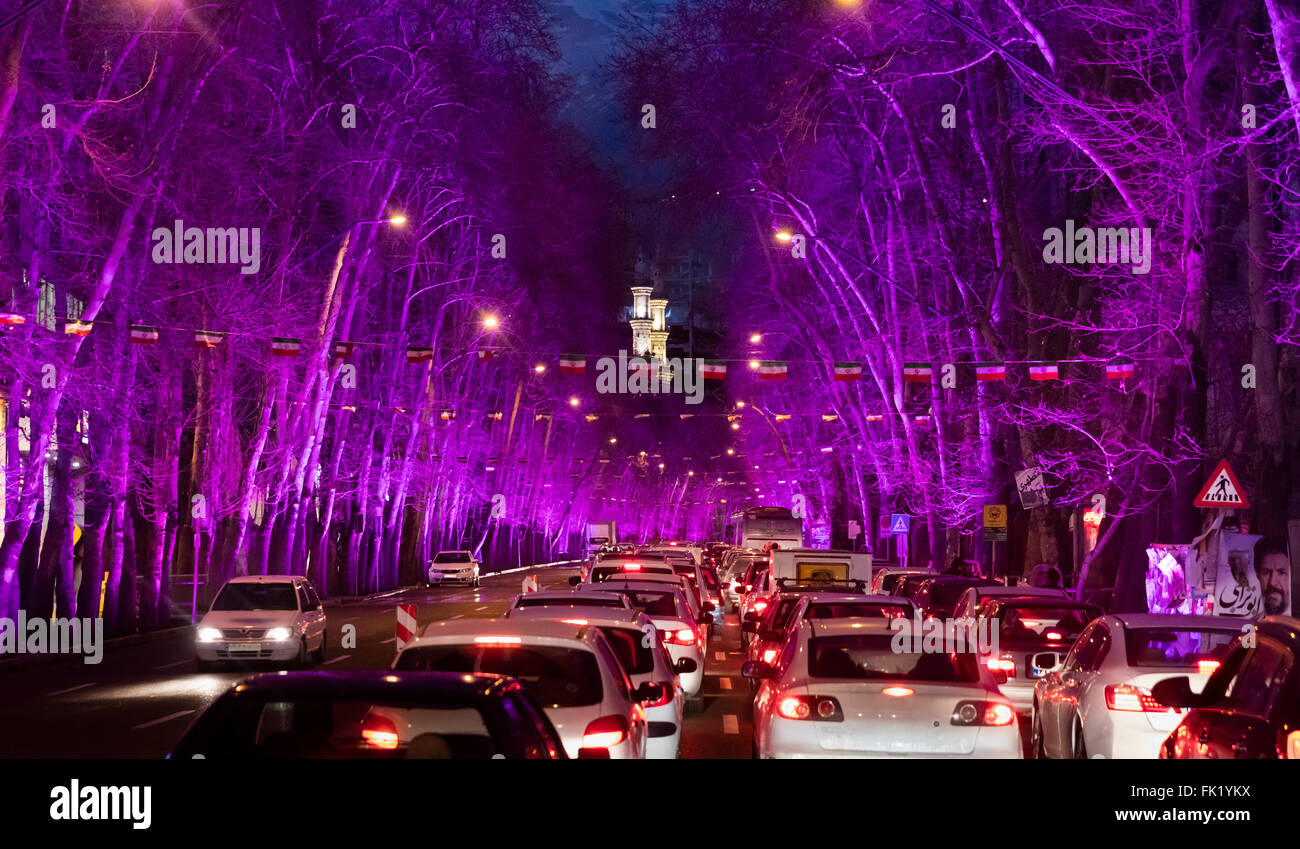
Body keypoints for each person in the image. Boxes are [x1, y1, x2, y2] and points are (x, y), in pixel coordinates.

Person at [1254, 538, 1291, 617]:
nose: (1272, 583)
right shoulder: (1250, 624)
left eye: (1281, 572)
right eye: (1266, 572)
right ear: (1258, 577)